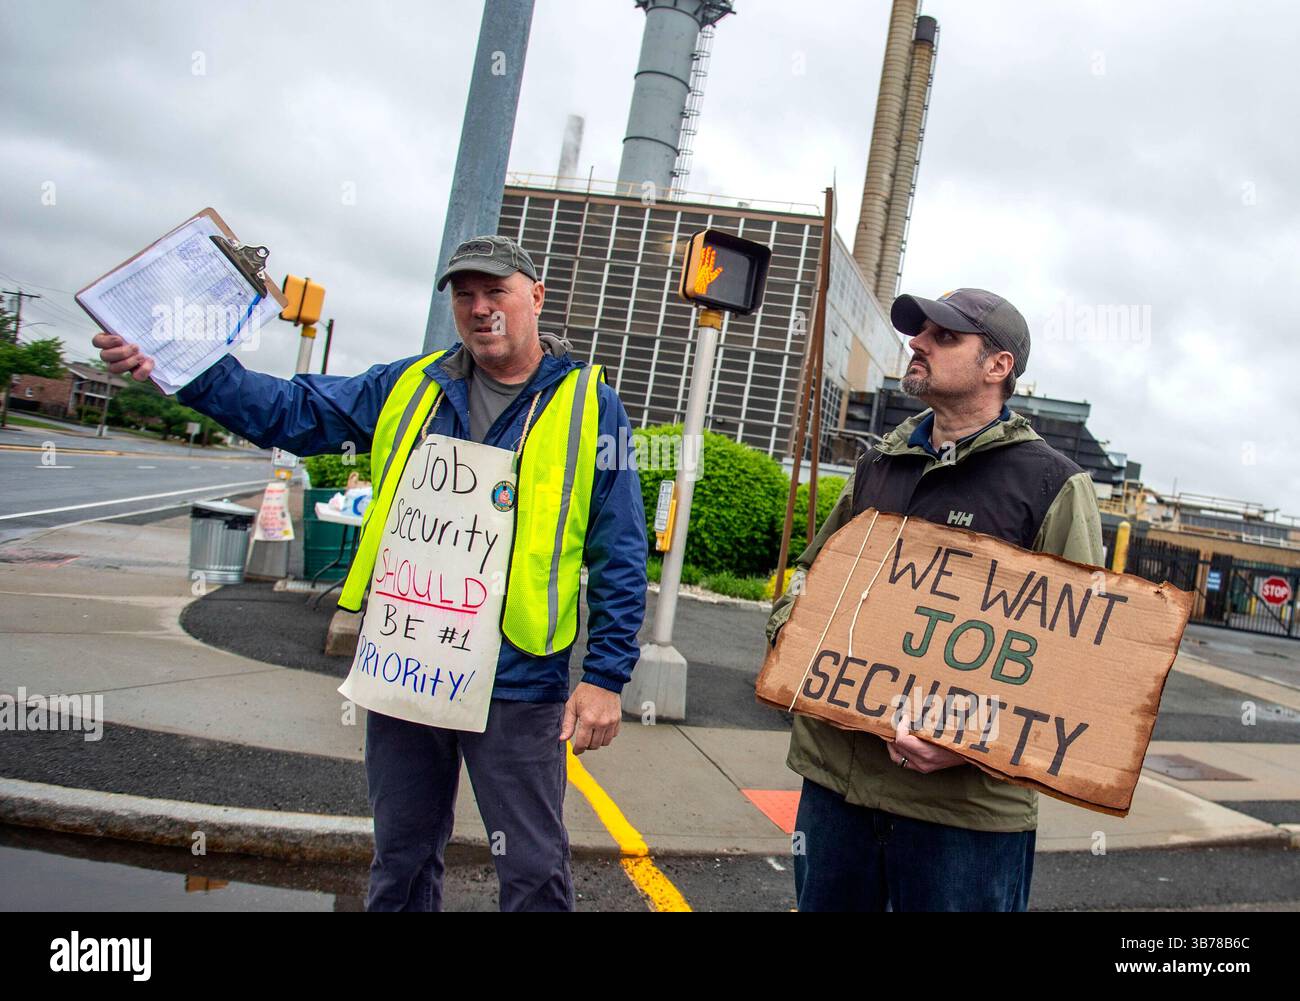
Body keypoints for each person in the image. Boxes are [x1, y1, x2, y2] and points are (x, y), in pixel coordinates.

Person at [93, 234, 648, 912]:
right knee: (402, 858)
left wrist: (605, 676)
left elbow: (620, 550)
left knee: (532, 870)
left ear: (535, 296)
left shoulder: (593, 406)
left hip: (518, 677)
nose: (478, 307)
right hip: (408, 662)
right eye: (463, 294)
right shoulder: (408, 386)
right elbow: (292, 409)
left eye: (495, 290)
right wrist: (180, 368)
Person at [767, 287, 1104, 912]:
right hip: (836, 791)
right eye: (918, 331)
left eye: (944, 337)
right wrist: (791, 645)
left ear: (997, 366)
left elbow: (1075, 661)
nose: (917, 343)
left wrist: (969, 736)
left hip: (962, 817)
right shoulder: (879, 465)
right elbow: (812, 581)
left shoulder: (1054, 484)